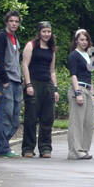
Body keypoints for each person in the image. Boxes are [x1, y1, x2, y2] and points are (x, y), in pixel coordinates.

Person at [21, 21, 59, 157]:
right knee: (31, 117)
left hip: (47, 84)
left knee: (47, 118)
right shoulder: (30, 46)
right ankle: (28, 148)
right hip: (33, 83)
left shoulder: (51, 49)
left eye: (48, 31)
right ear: (39, 32)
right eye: (44, 31)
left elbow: (52, 70)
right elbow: (25, 65)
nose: (46, 34)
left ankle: (45, 148)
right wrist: (28, 84)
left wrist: (55, 89)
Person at [0, 11, 22, 158]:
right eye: (11, 21)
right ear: (6, 22)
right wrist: (4, 80)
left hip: (16, 80)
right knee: (4, 114)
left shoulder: (15, 38)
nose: (14, 24)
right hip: (5, 81)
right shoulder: (1, 37)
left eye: (16, 21)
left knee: (15, 118)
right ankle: (1, 149)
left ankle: (4, 144)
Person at [66, 29, 94, 159]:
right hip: (78, 89)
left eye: (86, 40)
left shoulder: (91, 55)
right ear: (76, 40)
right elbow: (73, 75)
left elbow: (90, 75)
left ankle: (84, 149)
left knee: (88, 122)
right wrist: (77, 92)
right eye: (81, 40)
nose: (84, 42)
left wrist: (93, 93)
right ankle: (75, 151)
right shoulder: (73, 55)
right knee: (76, 122)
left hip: (88, 90)